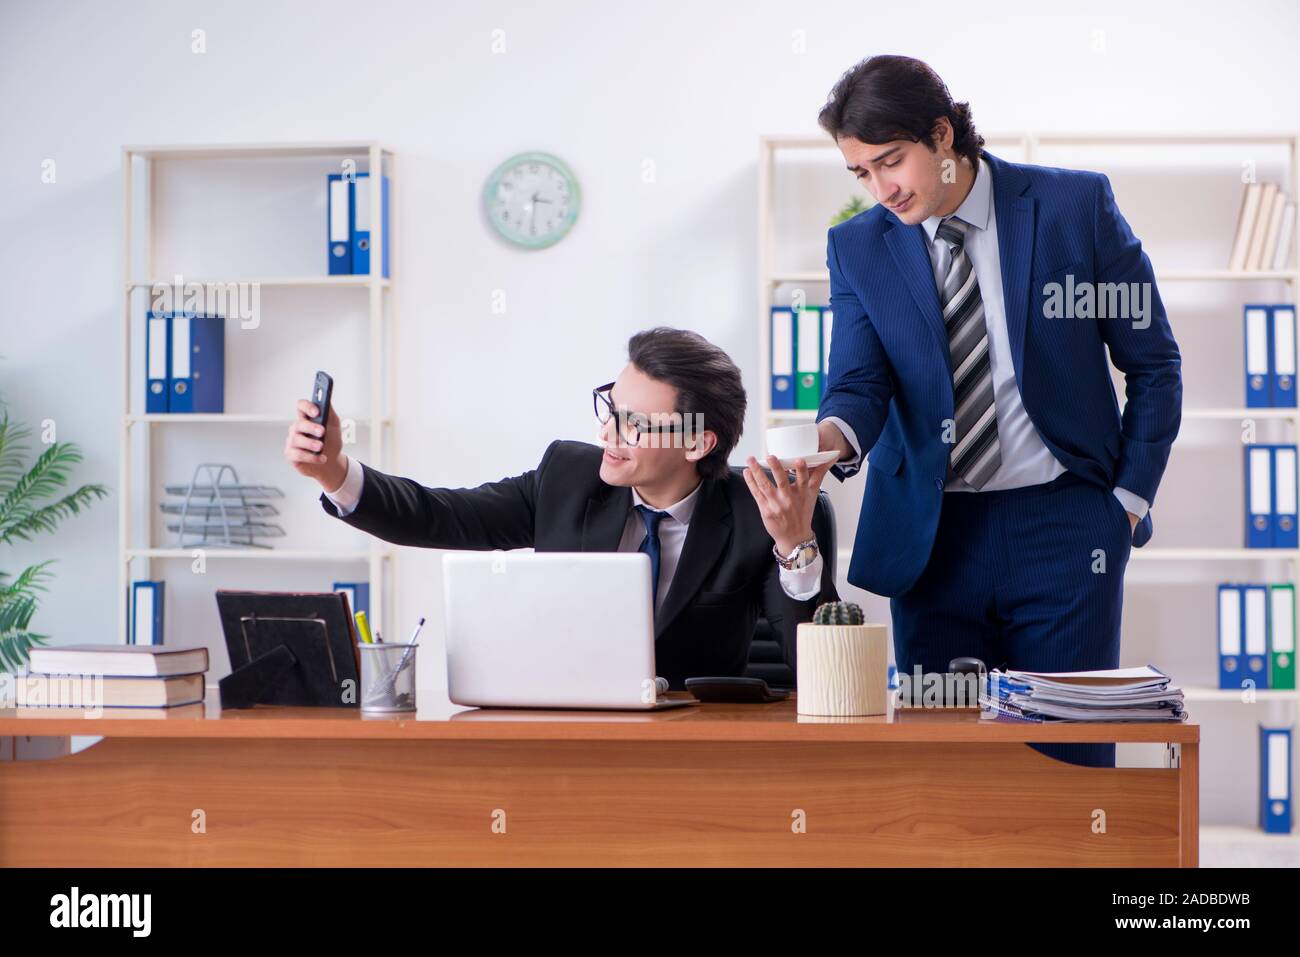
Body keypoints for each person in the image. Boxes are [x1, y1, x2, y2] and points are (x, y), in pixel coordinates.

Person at [810, 55, 1182, 766]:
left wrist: (1126, 502)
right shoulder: (857, 247)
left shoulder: (1074, 208)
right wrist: (825, 443)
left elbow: (1155, 364)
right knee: (947, 773)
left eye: (891, 162)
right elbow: (857, 382)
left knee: (1066, 766)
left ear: (943, 136)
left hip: (1066, 529)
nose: (881, 189)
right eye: (859, 173)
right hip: (932, 536)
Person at [285, 326, 838, 689]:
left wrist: (794, 546)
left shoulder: (757, 512)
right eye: (611, 407)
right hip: (566, 730)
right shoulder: (569, 478)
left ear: (697, 444)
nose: (608, 430)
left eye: (634, 422)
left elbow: (823, 675)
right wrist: (335, 472)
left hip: (693, 752)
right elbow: (442, 514)